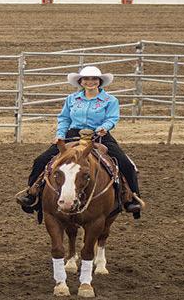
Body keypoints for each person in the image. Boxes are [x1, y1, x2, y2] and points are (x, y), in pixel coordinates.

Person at [17, 65, 143, 214]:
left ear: (100, 81)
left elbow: (112, 118)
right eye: (86, 79)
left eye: (94, 79)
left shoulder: (110, 100)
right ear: (81, 81)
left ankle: (132, 197)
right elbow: (64, 118)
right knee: (41, 160)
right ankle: (33, 193)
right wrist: (60, 135)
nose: (90, 82)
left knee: (125, 163)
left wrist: (104, 127)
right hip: (73, 134)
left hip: (100, 135)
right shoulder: (71, 99)